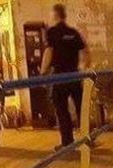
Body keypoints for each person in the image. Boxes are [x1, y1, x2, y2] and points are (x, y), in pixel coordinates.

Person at [40, 4, 89, 148]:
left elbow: (49, 51)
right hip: (74, 75)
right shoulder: (73, 32)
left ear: (55, 14)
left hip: (60, 76)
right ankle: (87, 138)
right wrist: (82, 67)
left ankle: (67, 141)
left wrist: (43, 72)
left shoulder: (52, 32)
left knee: (61, 109)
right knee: (81, 107)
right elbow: (85, 50)